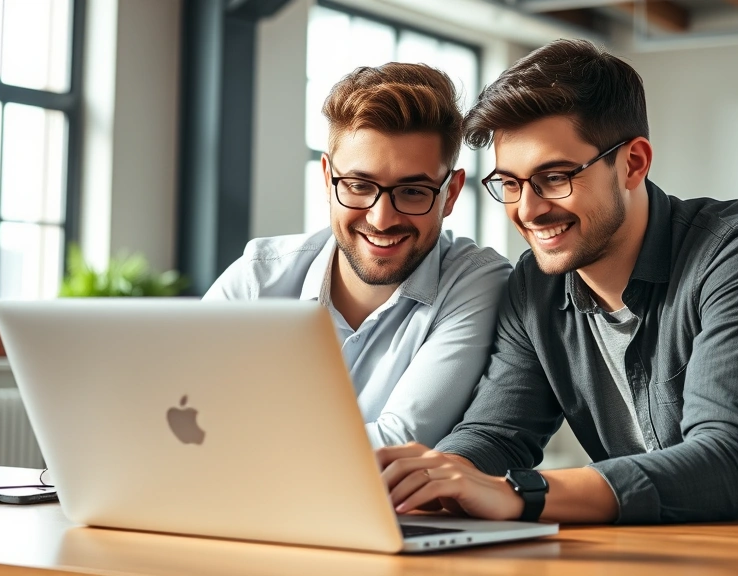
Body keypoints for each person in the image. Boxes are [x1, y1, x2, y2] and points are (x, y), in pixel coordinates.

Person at [378, 39, 738, 527]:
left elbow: (728, 463)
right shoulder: (535, 287)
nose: (527, 210)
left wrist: (519, 493)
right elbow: (497, 433)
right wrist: (437, 479)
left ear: (633, 163)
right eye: (510, 183)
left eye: (554, 177)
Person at [204, 63, 511, 448]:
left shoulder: (476, 282)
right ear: (327, 180)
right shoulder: (257, 278)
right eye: (358, 185)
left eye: (413, 191)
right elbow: (173, 410)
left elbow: (398, 442)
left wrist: (239, 442)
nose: (382, 218)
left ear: (450, 194)